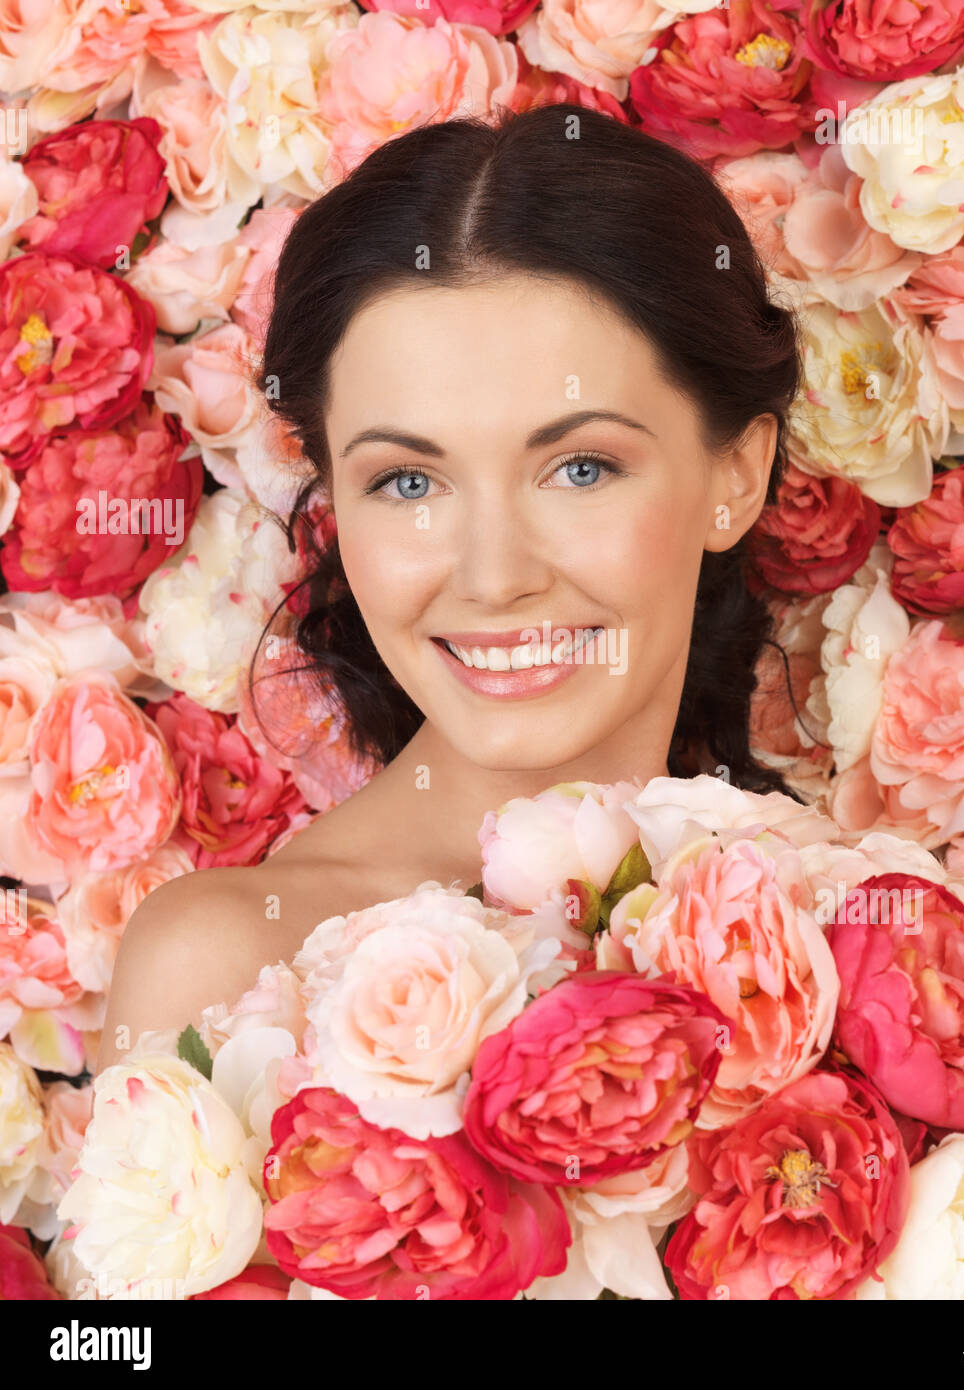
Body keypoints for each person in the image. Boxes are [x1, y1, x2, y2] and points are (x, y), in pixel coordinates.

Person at [95, 101, 801, 1076]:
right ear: (335, 498)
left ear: (734, 476)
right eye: (408, 482)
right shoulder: (223, 968)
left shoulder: (844, 932)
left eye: (581, 468)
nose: (495, 575)